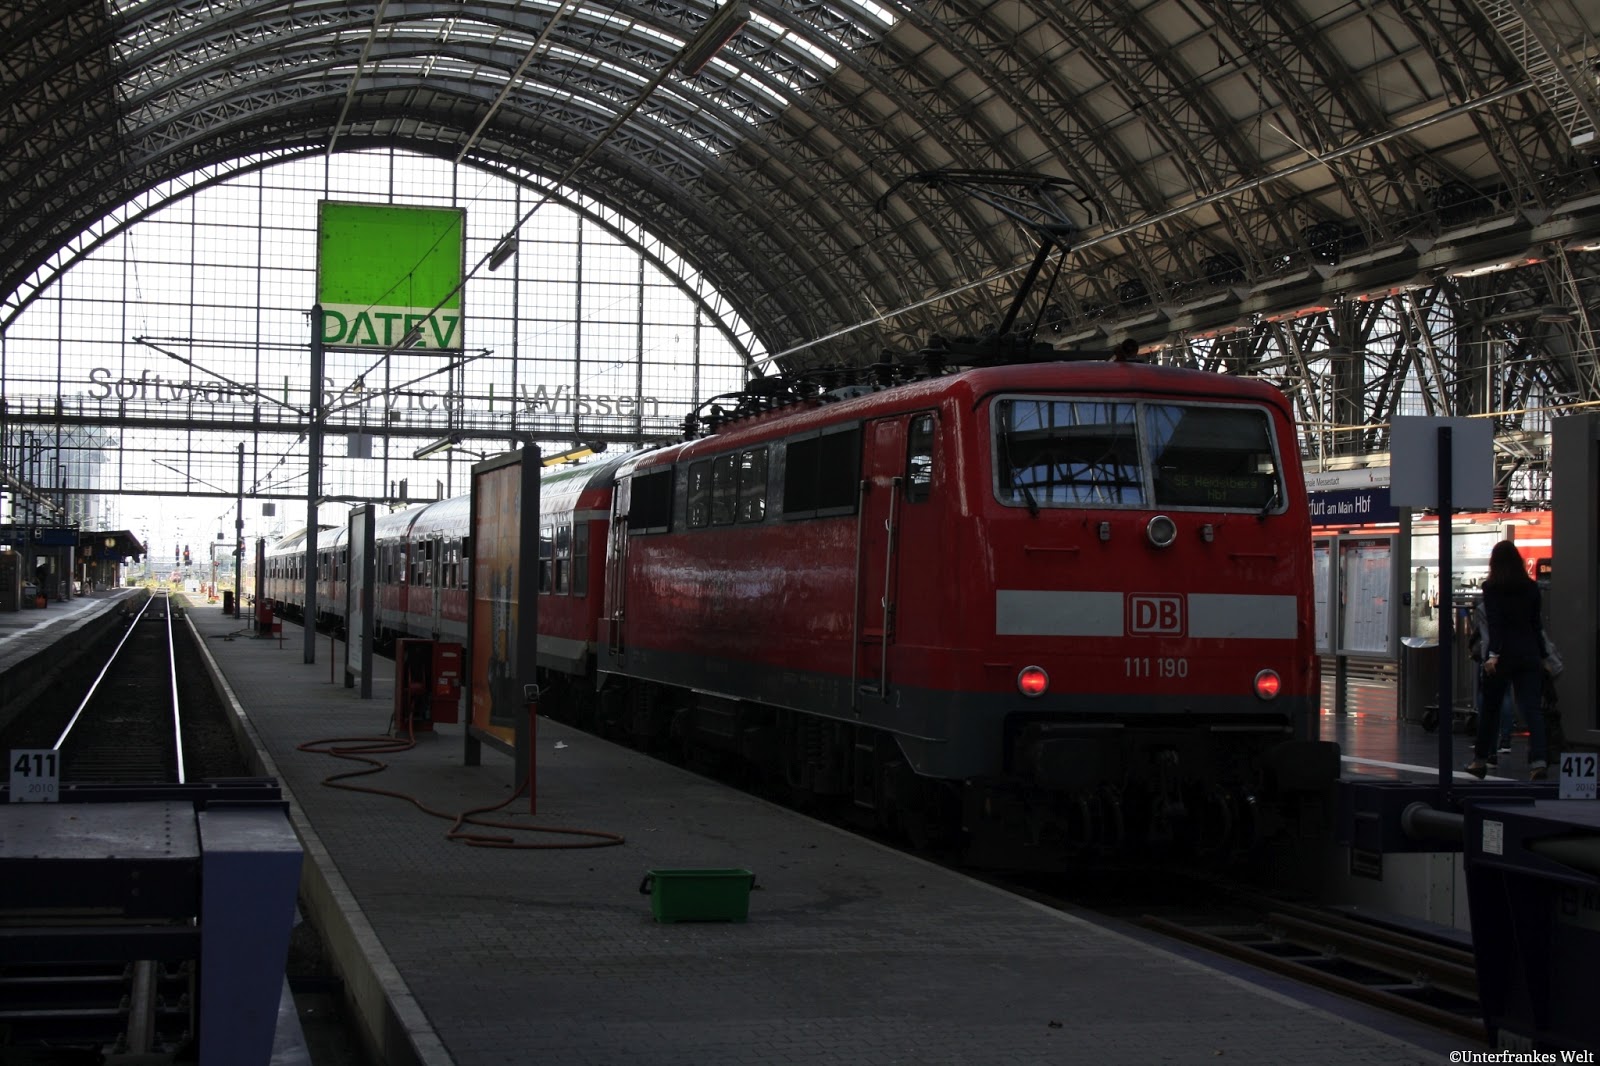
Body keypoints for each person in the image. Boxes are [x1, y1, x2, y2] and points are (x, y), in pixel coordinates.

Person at [1465, 541, 1550, 781]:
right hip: (1529, 653)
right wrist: (1543, 656)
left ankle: (1480, 760)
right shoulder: (1531, 587)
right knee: (1532, 709)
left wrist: (1493, 654)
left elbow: (1496, 623)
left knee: (1490, 709)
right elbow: (1536, 625)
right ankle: (1539, 762)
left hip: (1502, 657)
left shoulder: (1492, 588)